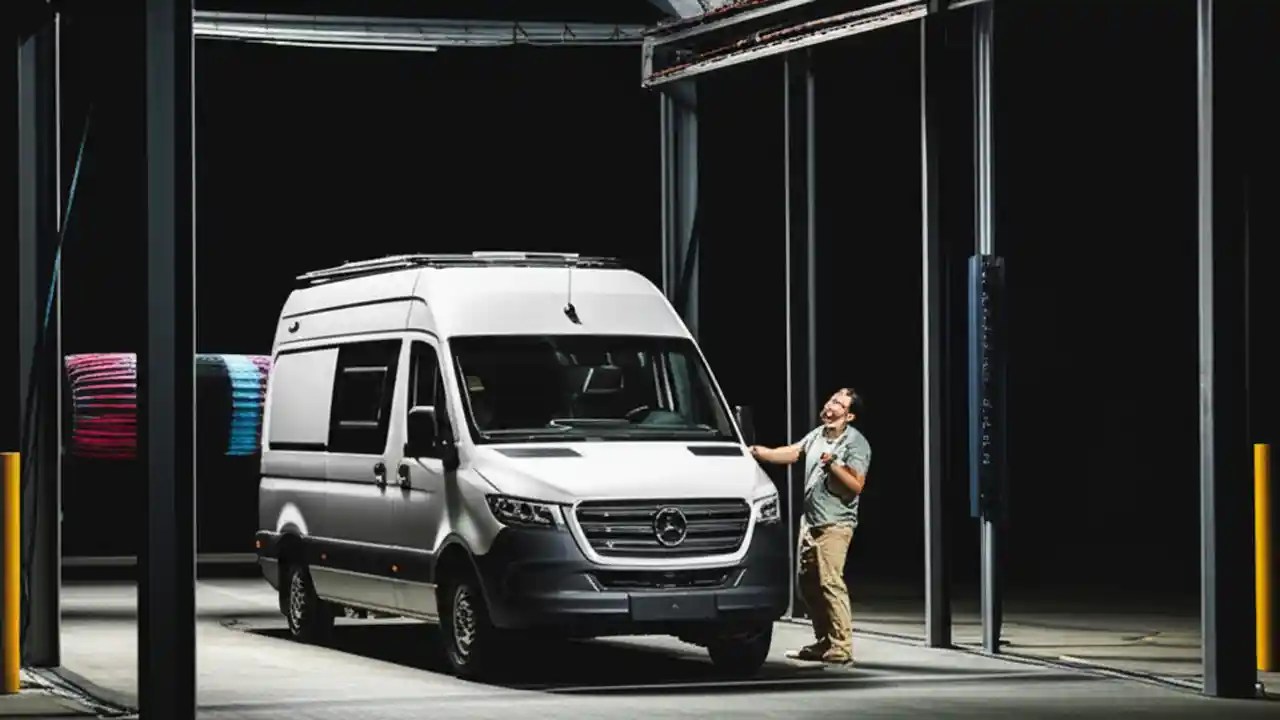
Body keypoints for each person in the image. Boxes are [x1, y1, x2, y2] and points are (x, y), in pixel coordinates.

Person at [750, 387, 870, 665]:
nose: (830, 405)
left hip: (835, 524)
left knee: (830, 583)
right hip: (811, 522)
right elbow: (793, 453)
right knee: (808, 585)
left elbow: (856, 485)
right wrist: (757, 452)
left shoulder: (855, 443)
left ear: (849, 416)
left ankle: (842, 646)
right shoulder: (818, 434)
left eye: (838, 404)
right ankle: (824, 641)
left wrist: (834, 465)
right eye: (831, 400)